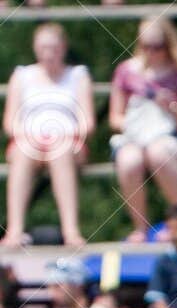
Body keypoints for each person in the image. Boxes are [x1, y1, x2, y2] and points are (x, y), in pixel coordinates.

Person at [4, 23, 94, 248]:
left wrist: (60, 134)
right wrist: (33, 136)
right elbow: (9, 123)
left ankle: (71, 231)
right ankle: (14, 230)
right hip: (29, 140)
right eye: (43, 48)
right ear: (35, 48)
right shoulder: (22, 75)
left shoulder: (78, 75)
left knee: (60, 150)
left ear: (63, 48)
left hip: (68, 141)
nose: (49, 54)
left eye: (53, 48)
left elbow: (87, 123)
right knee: (24, 152)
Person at [110, 17, 177, 244]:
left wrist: (169, 107)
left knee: (158, 153)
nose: (151, 52)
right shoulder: (126, 71)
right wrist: (135, 122)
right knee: (129, 160)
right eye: (145, 46)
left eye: (157, 47)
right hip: (134, 135)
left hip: (170, 137)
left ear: (168, 45)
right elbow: (114, 118)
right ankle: (140, 228)